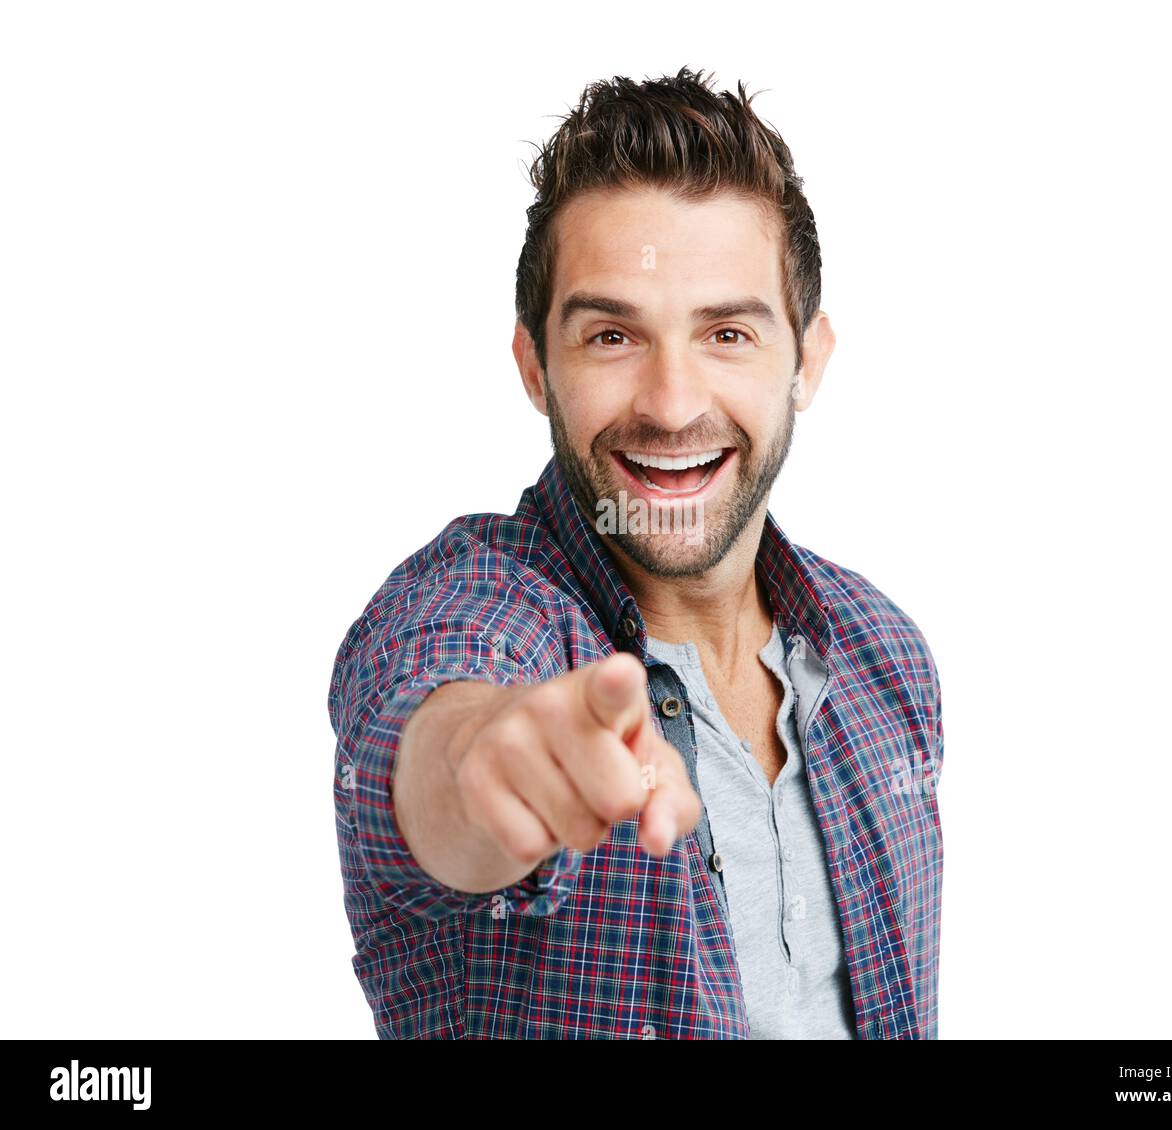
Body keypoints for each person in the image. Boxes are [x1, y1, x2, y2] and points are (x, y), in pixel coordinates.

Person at [329, 66, 944, 1039]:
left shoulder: (883, 657)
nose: (669, 402)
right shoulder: (483, 606)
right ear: (536, 364)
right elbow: (436, 720)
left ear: (807, 358)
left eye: (728, 332)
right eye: (612, 334)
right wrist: (494, 758)